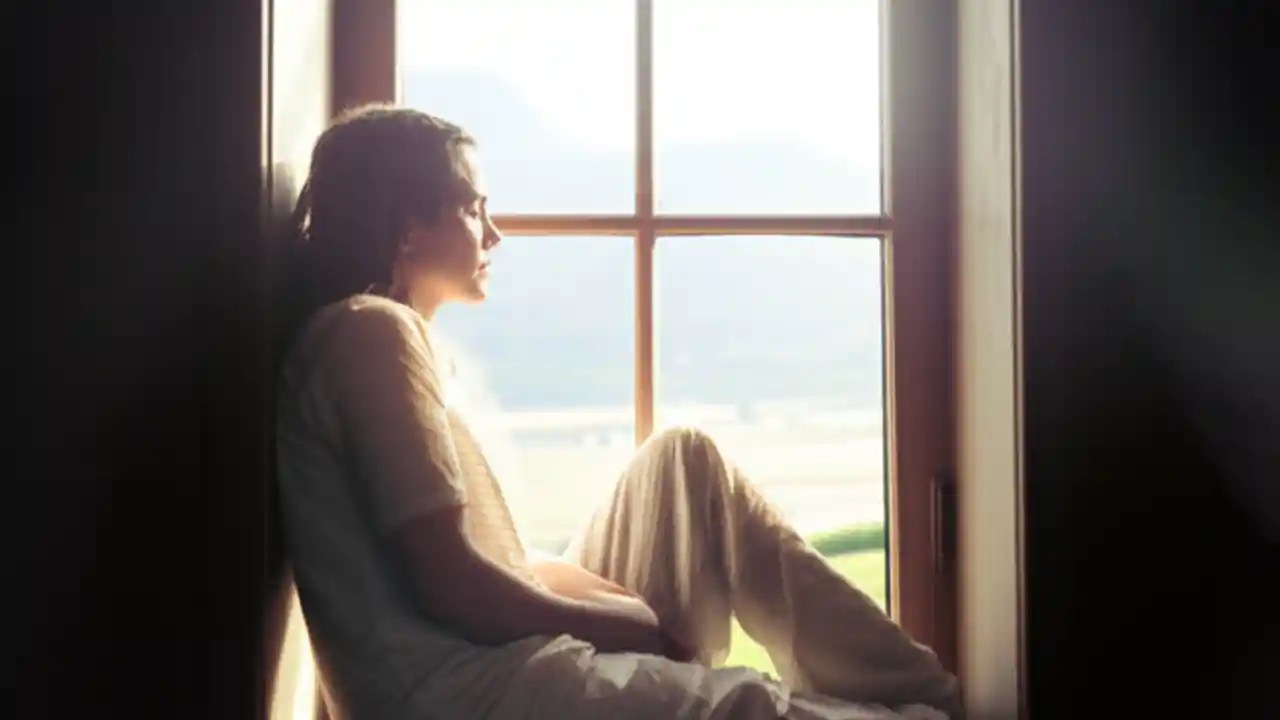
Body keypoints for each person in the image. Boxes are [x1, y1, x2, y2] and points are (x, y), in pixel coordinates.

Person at [274, 104, 963, 719]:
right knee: (753, 707)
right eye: (472, 208)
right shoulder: (368, 334)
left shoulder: (387, 336)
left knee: (681, 461)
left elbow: (492, 558)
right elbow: (451, 582)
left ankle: (918, 691)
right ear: (406, 230)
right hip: (465, 689)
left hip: (488, 651)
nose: (494, 235)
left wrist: (619, 606)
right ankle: (929, 710)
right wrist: (620, 631)